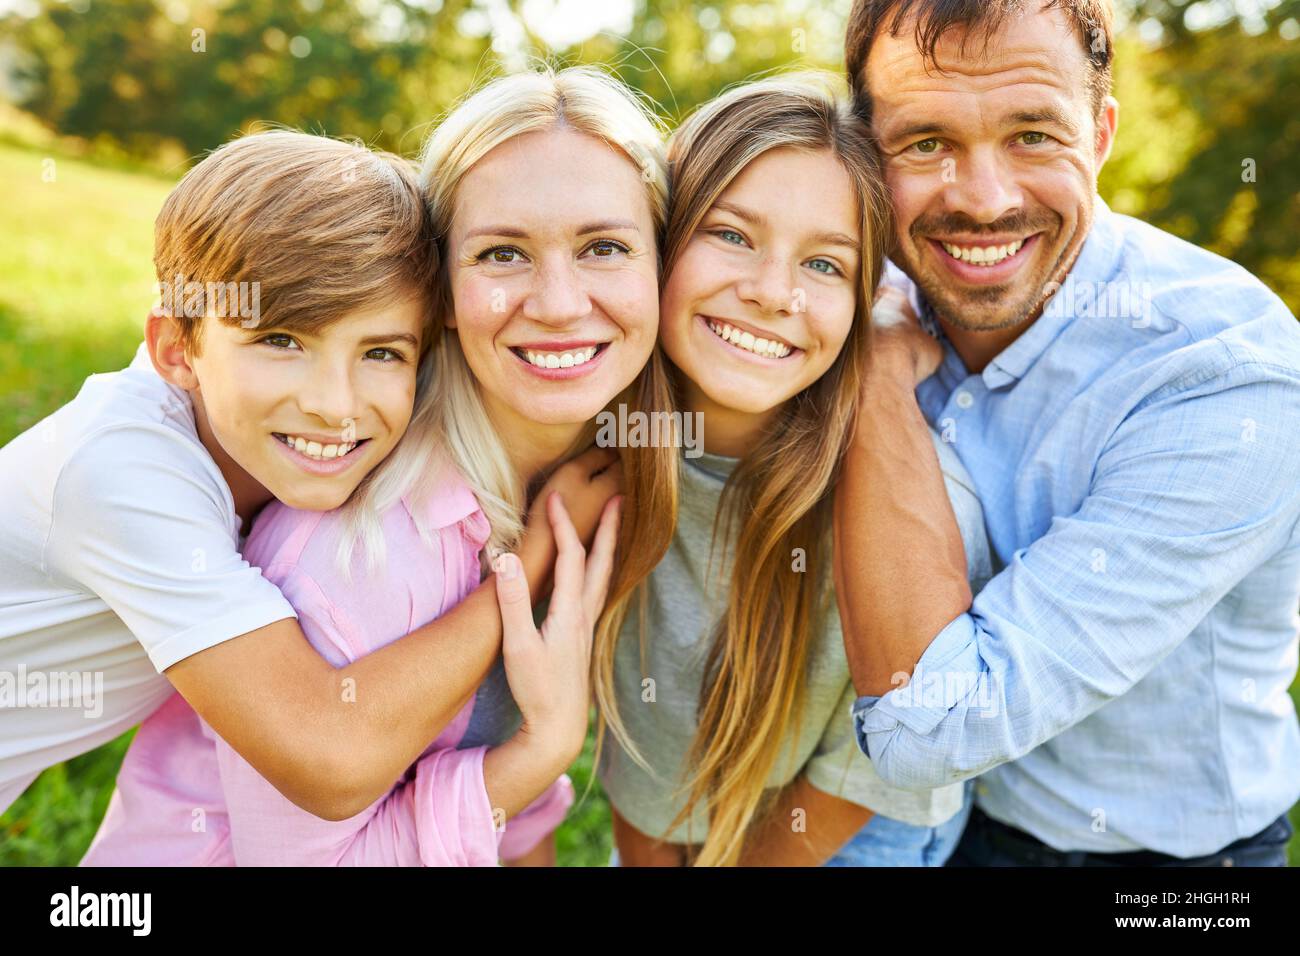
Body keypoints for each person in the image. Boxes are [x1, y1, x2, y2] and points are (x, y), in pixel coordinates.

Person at [81, 67, 678, 866]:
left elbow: (507, 825)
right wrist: (542, 749)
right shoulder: (360, 547)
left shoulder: (594, 478)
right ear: (435, 290)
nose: (561, 302)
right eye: (502, 253)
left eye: (605, 247)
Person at [837, 0, 1300, 865]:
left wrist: (871, 379)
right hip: (954, 834)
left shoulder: (1228, 374)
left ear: (1101, 135)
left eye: (1033, 135)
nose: (984, 200)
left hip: (1177, 875)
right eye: (926, 142)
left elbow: (926, 732)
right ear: (864, 153)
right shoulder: (851, 299)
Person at [594, 73, 991, 867]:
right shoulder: (602, 436)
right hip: (676, 809)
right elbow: (642, 732)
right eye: (732, 235)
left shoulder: (912, 502)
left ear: (865, 299)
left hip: (857, 827)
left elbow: (878, 769)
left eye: (824, 265)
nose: (772, 293)